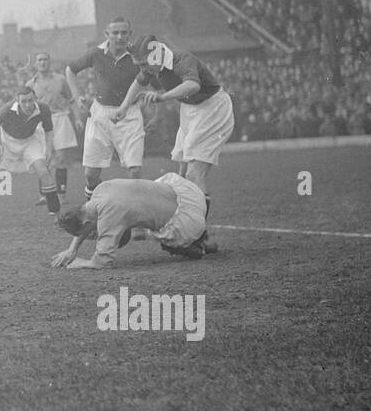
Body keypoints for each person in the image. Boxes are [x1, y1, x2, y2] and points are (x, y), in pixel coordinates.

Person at [110, 34, 235, 253]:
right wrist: (122, 108)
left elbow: (192, 86)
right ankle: (186, 230)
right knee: (181, 175)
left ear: (156, 51)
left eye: (143, 62)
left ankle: (197, 237)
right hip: (191, 111)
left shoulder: (180, 58)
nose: (143, 68)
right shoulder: (152, 65)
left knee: (194, 176)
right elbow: (137, 84)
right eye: (139, 64)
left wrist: (162, 97)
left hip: (213, 109)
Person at [50, 172, 209, 269]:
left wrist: (79, 262)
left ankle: (193, 244)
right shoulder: (100, 190)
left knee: (160, 237)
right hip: (189, 193)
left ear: (85, 224)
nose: (93, 235)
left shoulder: (107, 216)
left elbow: (102, 262)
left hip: (188, 222)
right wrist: (72, 248)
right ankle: (203, 237)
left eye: (91, 233)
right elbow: (84, 219)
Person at [64, 16, 145, 197]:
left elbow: (152, 82)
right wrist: (78, 98)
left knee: (134, 170)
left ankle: (136, 215)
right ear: (106, 34)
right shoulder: (96, 53)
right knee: (91, 174)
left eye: (124, 33)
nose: (119, 37)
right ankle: (93, 210)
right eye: (115, 33)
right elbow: (70, 70)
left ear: (130, 34)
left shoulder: (138, 56)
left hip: (129, 114)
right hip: (100, 113)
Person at [0, 85, 61, 230]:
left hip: (30, 140)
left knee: (44, 172)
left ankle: (57, 215)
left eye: (30, 101)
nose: (27, 105)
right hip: (7, 141)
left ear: (35, 99)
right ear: (18, 101)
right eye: (24, 102)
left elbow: (49, 130)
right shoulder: (7, 109)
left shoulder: (43, 109)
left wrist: (49, 149)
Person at [26, 51, 77, 199]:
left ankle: (61, 194)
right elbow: (25, 108)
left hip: (59, 119)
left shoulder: (60, 80)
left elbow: (71, 100)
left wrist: (78, 118)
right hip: (40, 123)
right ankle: (45, 194)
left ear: (50, 62)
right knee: (43, 159)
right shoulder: (30, 84)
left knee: (60, 158)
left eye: (45, 60)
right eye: (39, 60)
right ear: (36, 63)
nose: (42, 62)